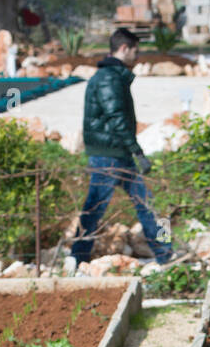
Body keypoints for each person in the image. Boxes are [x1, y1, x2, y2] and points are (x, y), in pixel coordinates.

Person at [70, 28, 173, 267]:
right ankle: (76, 259)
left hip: (118, 153)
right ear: (124, 48)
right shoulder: (109, 78)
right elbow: (116, 117)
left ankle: (165, 256)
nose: (137, 57)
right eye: (135, 51)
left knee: (147, 205)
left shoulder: (114, 76)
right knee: (95, 209)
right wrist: (137, 151)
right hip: (109, 156)